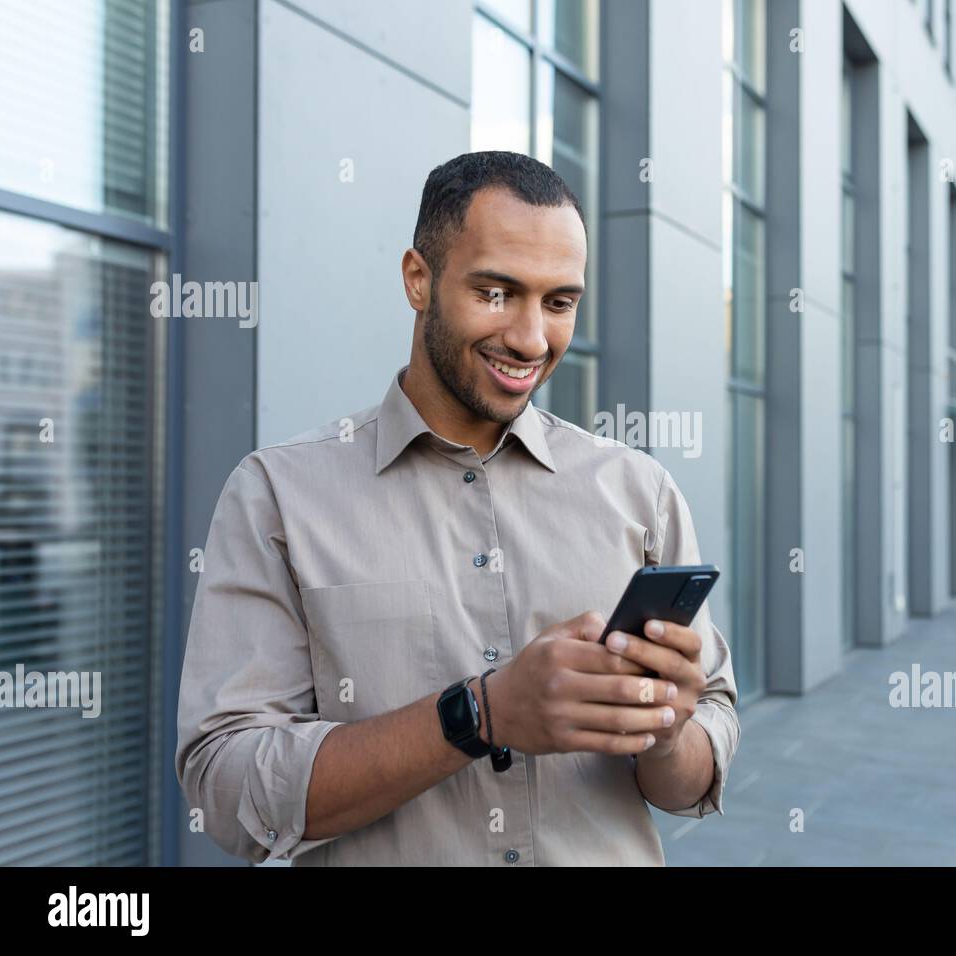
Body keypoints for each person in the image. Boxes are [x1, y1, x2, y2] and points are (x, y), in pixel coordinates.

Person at [175, 151, 740, 865]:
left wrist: (665, 730)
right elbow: (228, 790)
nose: (532, 339)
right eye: (498, 292)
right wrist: (479, 714)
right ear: (419, 279)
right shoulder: (278, 495)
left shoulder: (639, 491)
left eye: (559, 302)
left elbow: (694, 779)